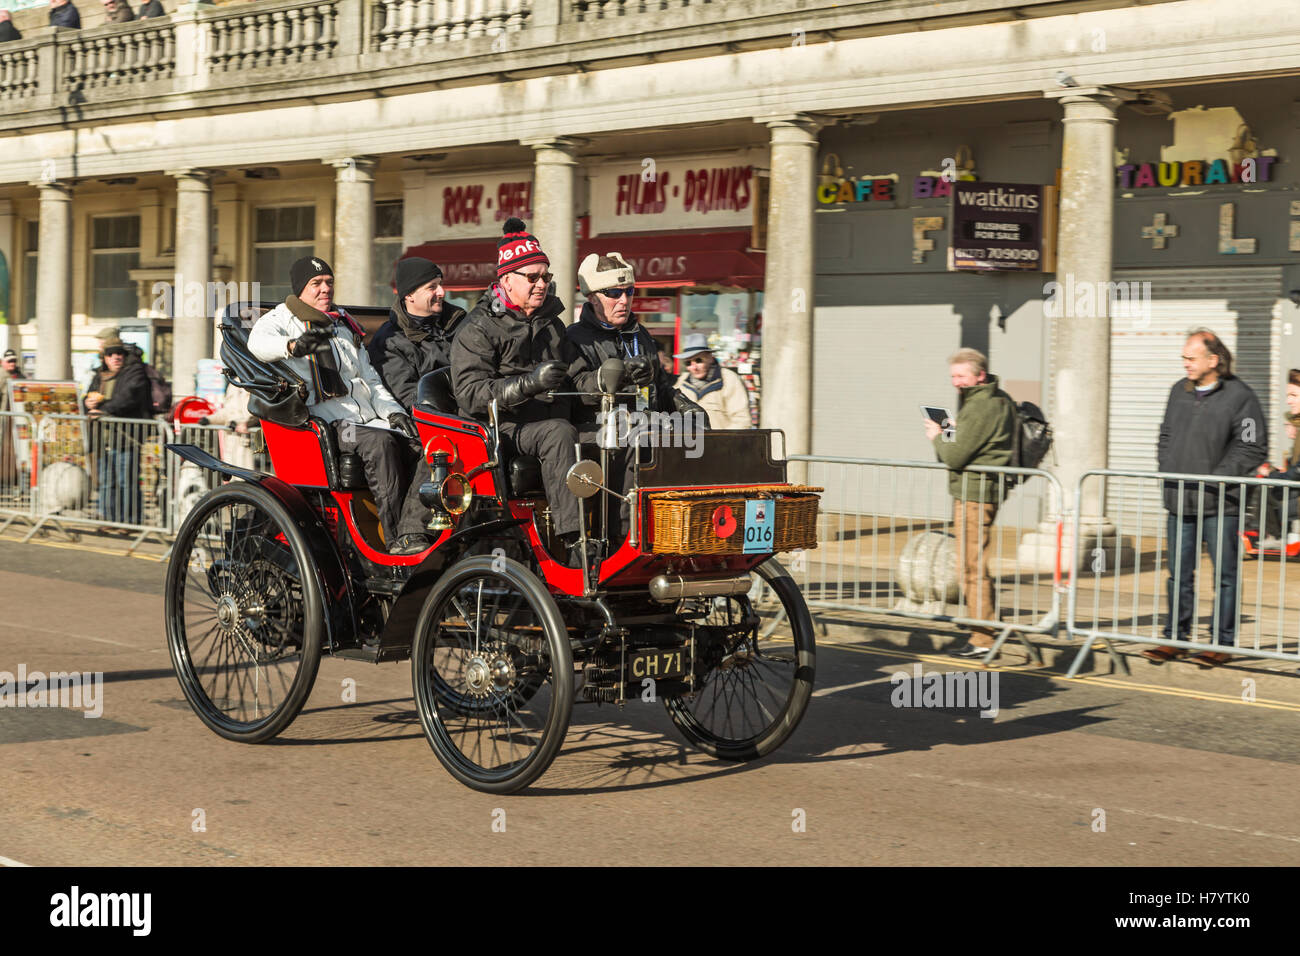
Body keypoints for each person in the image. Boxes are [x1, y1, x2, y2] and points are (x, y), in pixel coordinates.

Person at [248, 255, 434, 555]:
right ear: (300, 289)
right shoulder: (280, 320)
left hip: (369, 418)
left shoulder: (342, 324)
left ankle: (415, 529)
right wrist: (293, 346)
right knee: (380, 443)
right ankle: (394, 539)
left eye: (329, 283)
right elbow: (256, 344)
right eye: (316, 283)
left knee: (428, 445)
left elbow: (370, 380)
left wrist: (395, 413)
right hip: (332, 427)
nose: (325, 289)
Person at [450, 218, 588, 567]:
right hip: (499, 429)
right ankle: (574, 544)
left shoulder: (552, 324)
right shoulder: (477, 327)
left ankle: (620, 536)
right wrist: (528, 385)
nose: (541, 284)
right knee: (559, 433)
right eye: (532, 277)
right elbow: (470, 394)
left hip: (545, 420)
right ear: (506, 280)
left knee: (609, 433)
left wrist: (608, 383)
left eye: (546, 277)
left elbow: (576, 376)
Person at [1144, 329, 1267, 669]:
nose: (1185, 364)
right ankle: (1175, 638)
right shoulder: (1178, 392)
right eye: (1184, 358)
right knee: (1179, 574)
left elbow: (1253, 445)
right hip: (1180, 499)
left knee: (1225, 574)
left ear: (1213, 361)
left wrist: (1218, 476)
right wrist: (1167, 467)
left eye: (1191, 358)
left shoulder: (1240, 396)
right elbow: (1165, 435)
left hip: (1220, 503)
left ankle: (1220, 643)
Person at [565, 251, 708, 539]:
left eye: (629, 291)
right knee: (632, 435)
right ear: (592, 297)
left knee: (695, 434)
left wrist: (684, 406)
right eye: (613, 293)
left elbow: (662, 385)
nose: (624, 300)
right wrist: (617, 376)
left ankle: (690, 528)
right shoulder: (575, 337)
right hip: (598, 431)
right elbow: (576, 389)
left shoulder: (640, 334)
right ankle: (624, 539)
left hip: (645, 424)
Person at [921, 347, 1017, 659]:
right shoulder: (991, 399)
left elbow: (954, 455)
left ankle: (982, 638)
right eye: (953, 376)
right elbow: (962, 447)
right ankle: (985, 623)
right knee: (972, 563)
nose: (955, 382)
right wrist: (950, 432)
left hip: (974, 494)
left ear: (980, 375)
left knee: (970, 566)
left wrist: (938, 434)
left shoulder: (982, 406)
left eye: (961, 376)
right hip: (976, 491)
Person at [366, 257, 466, 410]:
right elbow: (409, 398)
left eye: (440, 284)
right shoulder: (389, 341)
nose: (441, 292)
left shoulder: (461, 322)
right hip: (443, 421)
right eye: (432, 287)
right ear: (409, 295)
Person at [83, 331, 152, 528]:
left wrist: (102, 410)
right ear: (104, 358)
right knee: (106, 480)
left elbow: (128, 398)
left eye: (119, 353)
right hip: (102, 436)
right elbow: (88, 395)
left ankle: (129, 521)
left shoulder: (135, 371)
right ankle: (108, 518)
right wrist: (87, 402)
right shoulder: (100, 375)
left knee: (126, 481)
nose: (116, 358)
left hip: (125, 436)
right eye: (111, 354)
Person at [674, 334, 752, 429]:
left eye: (698, 360)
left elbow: (741, 420)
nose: (694, 367)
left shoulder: (729, 379)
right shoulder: (681, 383)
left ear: (710, 358)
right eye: (688, 363)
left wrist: (722, 441)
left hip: (721, 442)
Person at [200, 381, 258, 471]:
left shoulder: (256, 382)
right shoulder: (233, 383)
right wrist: (209, 420)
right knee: (232, 475)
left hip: (248, 441)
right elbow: (227, 412)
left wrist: (248, 424)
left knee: (246, 476)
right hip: (231, 441)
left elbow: (261, 413)